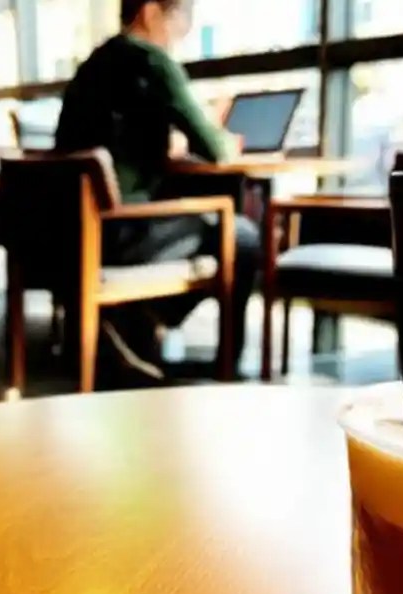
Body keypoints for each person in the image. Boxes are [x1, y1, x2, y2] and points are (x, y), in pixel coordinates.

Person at [55, 0, 261, 385]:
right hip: (116, 232)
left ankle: (130, 323)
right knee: (243, 236)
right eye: (180, 25)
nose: (178, 40)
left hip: (68, 232)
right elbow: (216, 148)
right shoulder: (151, 60)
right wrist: (227, 138)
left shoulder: (93, 64)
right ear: (151, 12)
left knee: (206, 225)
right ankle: (227, 366)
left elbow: (111, 137)